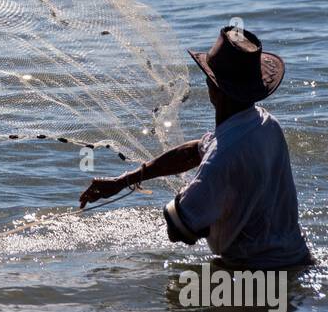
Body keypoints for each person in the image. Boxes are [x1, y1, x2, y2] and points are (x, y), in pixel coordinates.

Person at [79, 25, 313, 268]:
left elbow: (179, 230)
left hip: (255, 276)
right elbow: (194, 151)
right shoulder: (265, 124)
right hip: (299, 260)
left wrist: (193, 199)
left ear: (213, 88)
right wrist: (124, 180)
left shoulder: (222, 158)